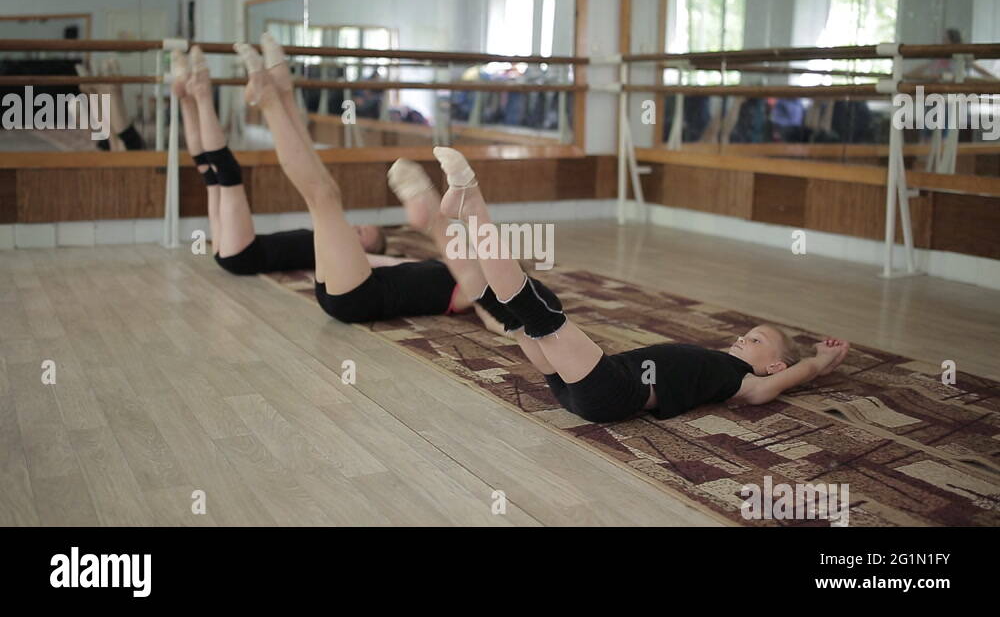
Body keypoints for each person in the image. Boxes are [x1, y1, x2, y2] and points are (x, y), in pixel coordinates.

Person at [430, 146, 852, 423]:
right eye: (749, 333)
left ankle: (472, 203)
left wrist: (816, 362)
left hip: (610, 390)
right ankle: (463, 213)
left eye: (757, 340)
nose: (744, 336)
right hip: (584, 383)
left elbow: (770, 390)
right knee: (521, 313)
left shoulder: (743, 383)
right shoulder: (722, 367)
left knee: (534, 308)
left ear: (775, 366)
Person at [232, 34, 501, 324]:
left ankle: (269, 101)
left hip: (360, 296)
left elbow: (494, 318)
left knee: (323, 194)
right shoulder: (447, 266)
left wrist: (514, 316)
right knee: (321, 187)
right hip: (352, 284)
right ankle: (283, 91)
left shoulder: (476, 291)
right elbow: (388, 262)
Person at [171, 44, 386, 275]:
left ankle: (202, 91)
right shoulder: (332, 235)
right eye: (361, 226)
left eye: (362, 233)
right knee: (210, 174)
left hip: (244, 253)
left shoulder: (354, 258)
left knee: (227, 174)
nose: (356, 228)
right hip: (233, 249)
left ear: (365, 249)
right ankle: (187, 96)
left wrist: (425, 265)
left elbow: (385, 263)